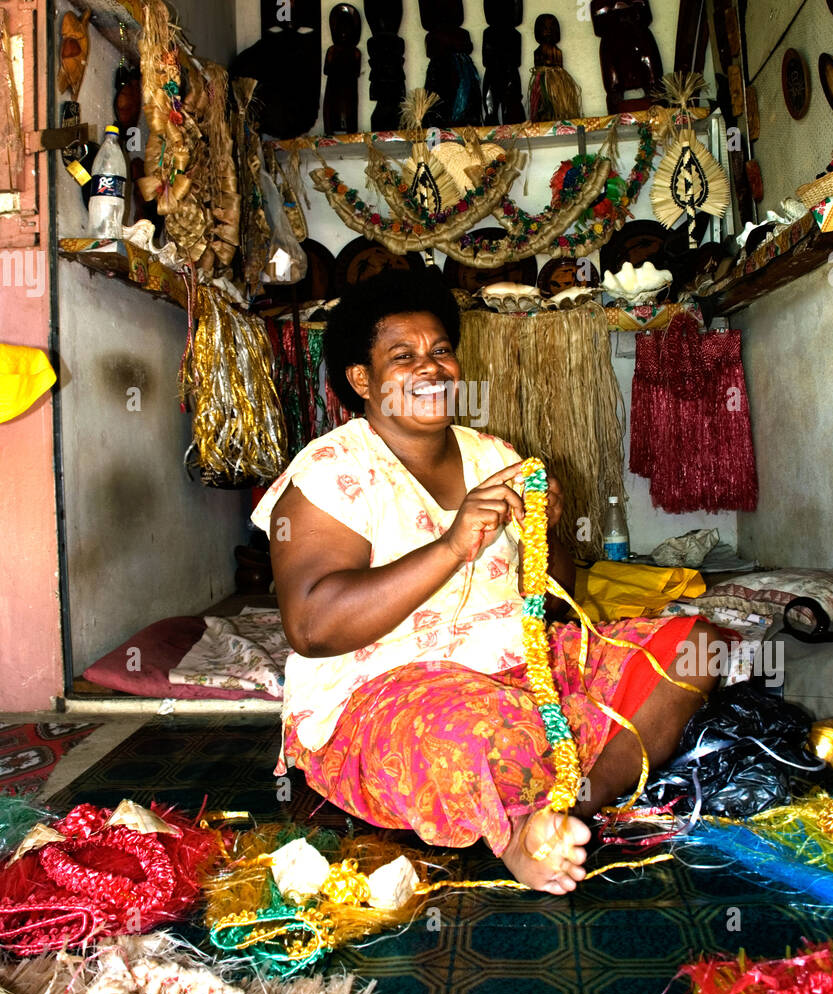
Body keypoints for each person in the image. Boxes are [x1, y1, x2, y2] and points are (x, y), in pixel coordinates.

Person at [252, 270, 720, 895]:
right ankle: (520, 833)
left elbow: (556, 594)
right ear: (362, 380)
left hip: (516, 661)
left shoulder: (496, 457)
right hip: (390, 686)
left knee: (698, 645)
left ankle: (574, 809)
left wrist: (547, 531)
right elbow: (311, 627)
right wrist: (450, 547)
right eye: (404, 357)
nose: (432, 369)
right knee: (476, 732)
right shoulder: (329, 473)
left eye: (441, 350)